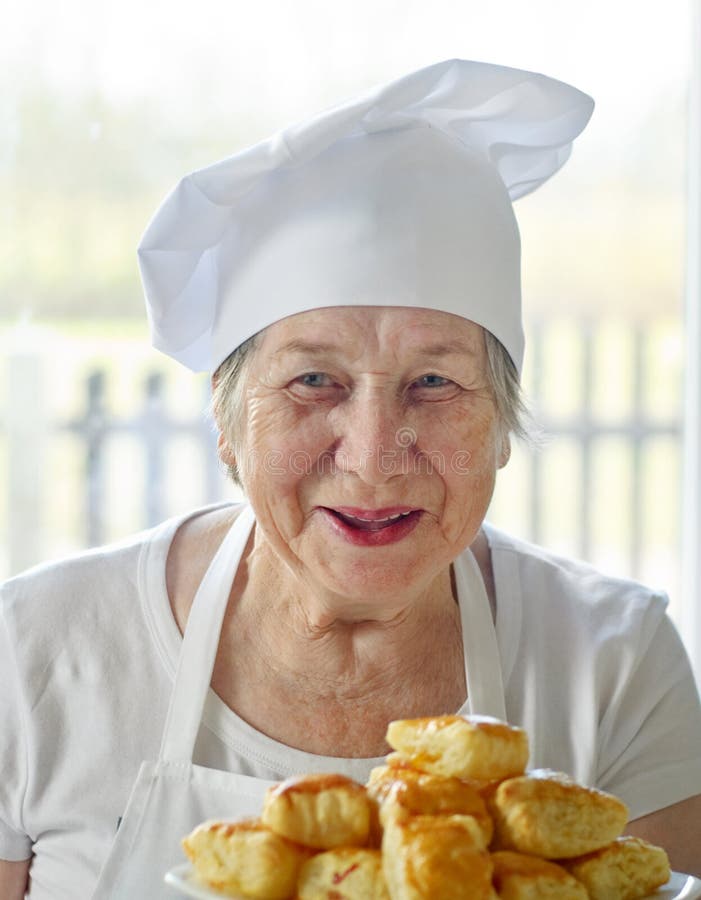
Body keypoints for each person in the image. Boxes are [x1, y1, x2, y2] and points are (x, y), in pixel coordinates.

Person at [1, 59, 700, 900]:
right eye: (312, 381)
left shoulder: (612, 667)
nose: (373, 456)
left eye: (434, 383)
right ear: (227, 423)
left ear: (502, 426)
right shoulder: (31, 653)